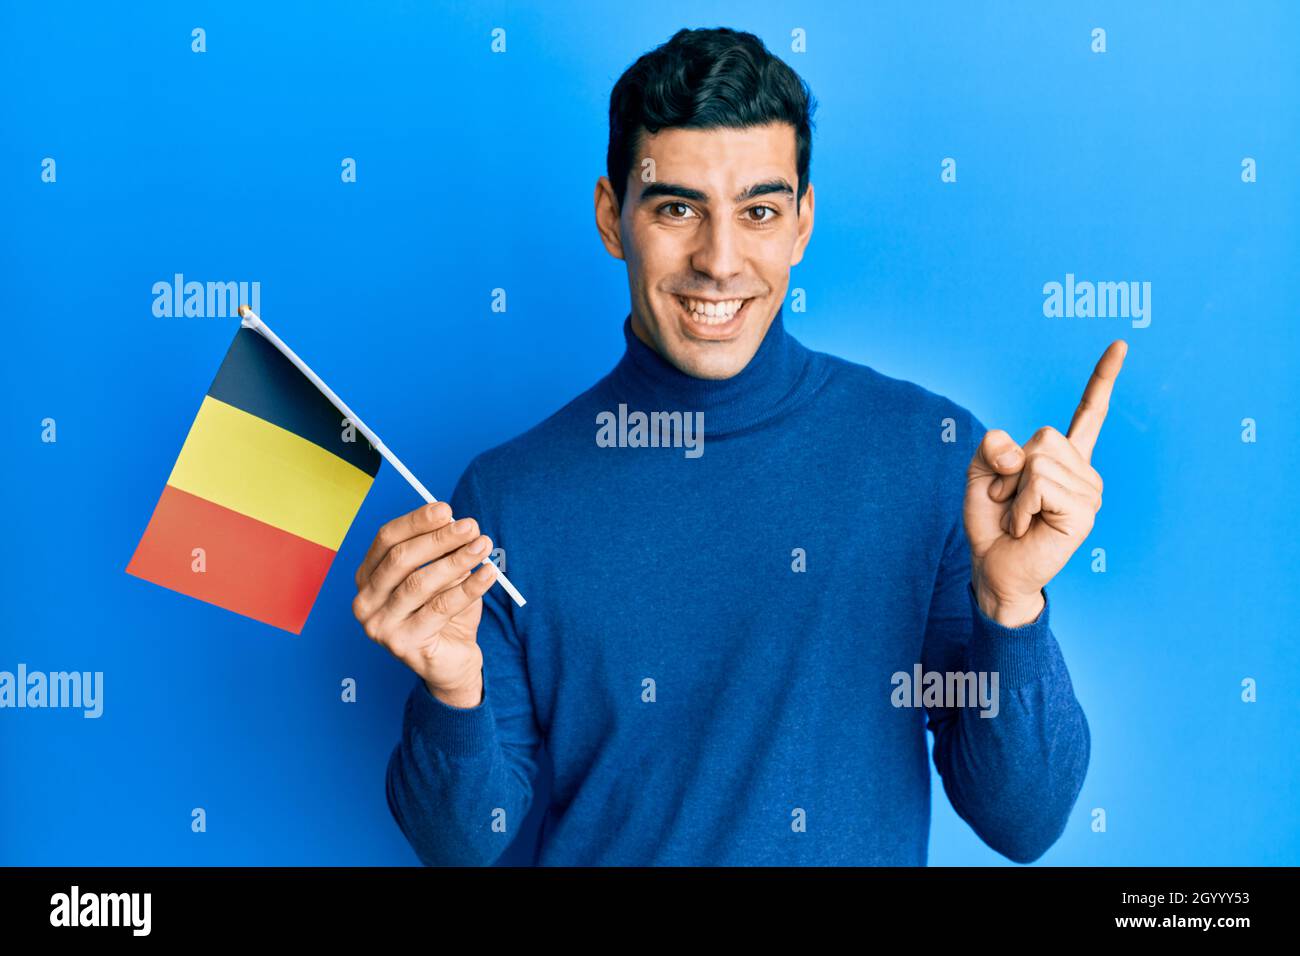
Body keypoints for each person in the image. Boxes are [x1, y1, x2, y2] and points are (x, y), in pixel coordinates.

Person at [352, 26, 1125, 866]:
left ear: (801, 224)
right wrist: (452, 694)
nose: (720, 261)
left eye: (758, 211)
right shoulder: (507, 498)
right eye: (677, 208)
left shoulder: (930, 455)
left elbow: (1025, 821)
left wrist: (1011, 607)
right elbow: (462, 845)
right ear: (614, 218)